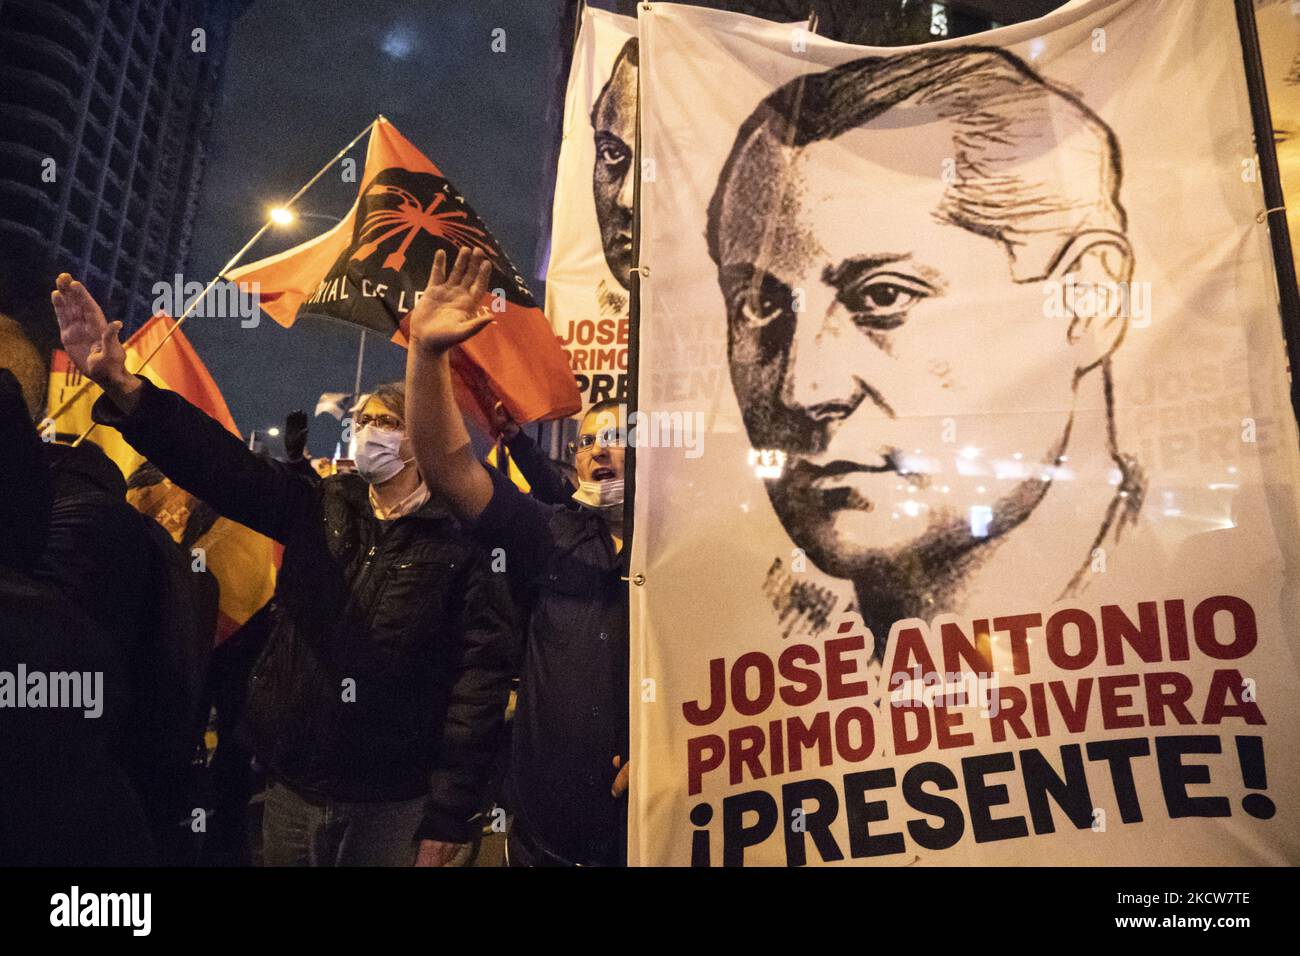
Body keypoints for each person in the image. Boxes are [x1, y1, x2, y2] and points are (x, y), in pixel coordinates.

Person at [52, 273, 517, 867]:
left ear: (419, 439)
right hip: (293, 786)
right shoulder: (321, 505)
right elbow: (222, 465)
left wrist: (452, 815)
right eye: (364, 419)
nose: (366, 431)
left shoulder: (464, 539)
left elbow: (477, 684)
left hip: (395, 801)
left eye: (386, 422)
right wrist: (126, 389)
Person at [704, 46, 1146, 658]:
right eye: (758, 305)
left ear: (1086, 299)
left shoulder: (1220, 599)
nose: (803, 388)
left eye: (883, 295)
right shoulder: (765, 647)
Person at [405, 247, 630, 866]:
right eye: (588, 443)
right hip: (540, 833)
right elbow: (448, 466)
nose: (600, 453)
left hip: (646, 833)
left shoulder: (684, 557)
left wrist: (674, 749)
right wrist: (427, 356)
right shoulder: (548, 534)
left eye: (618, 440)